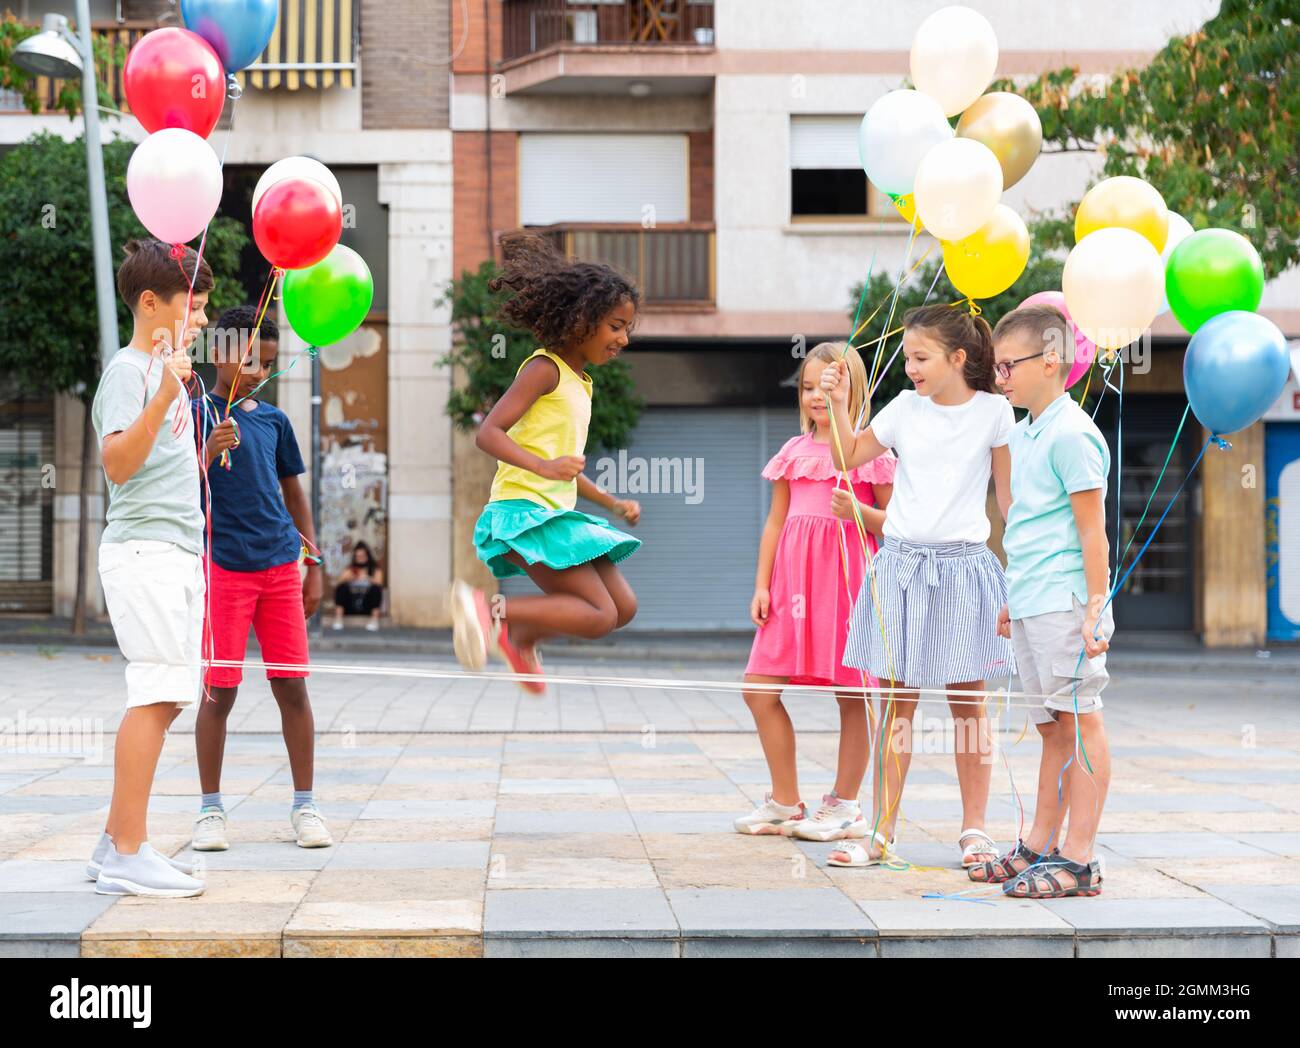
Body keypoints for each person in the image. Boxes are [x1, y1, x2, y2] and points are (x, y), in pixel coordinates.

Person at [821, 305, 1015, 868]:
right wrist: (838, 405)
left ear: (958, 359)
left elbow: (1008, 503)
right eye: (907, 357)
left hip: (963, 567)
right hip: (901, 567)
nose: (910, 368)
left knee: (969, 708)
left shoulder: (995, 414)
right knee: (895, 706)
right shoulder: (905, 408)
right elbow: (847, 456)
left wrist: (1018, 576)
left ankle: (975, 830)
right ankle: (880, 834)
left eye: (921, 357)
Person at [449, 234, 642, 695]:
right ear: (582, 320)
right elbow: (488, 433)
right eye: (616, 326)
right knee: (599, 615)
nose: (624, 338)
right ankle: (489, 610)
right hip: (524, 513)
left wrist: (611, 502)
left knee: (623, 607)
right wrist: (542, 466)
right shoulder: (544, 369)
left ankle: (520, 639)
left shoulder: (582, 382)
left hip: (553, 512)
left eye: (627, 328)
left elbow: (566, 467)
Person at [969, 304, 1113, 898]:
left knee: (1081, 727)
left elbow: (1091, 532)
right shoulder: (1025, 430)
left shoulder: (1073, 433)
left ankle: (1079, 859)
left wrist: (1095, 608)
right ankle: (1039, 843)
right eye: (997, 368)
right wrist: (1013, 596)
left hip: (1066, 603)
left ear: (1051, 360)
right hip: (1032, 599)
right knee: (1053, 730)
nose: (1000, 378)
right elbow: (1028, 525)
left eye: (1008, 366)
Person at [85, 238, 210, 897]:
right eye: (192, 309)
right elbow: (117, 465)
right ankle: (130, 853)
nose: (200, 322)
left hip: (172, 552)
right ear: (150, 302)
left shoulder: (164, 377)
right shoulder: (130, 373)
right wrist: (165, 396)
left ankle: (113, 842)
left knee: (167, 697)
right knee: (156, 693)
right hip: (145, 554)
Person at [735, 343, 895, 839]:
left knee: (853, 694)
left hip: (850, 586)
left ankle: (845, 804)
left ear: (853, 389)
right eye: (807, 387)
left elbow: (897, 524)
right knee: (758, 689)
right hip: (791, 589)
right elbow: (774, 522)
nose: (816, 396)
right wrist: (762, 584)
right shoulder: (791, 453)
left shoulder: (873, 455)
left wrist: (859, 514)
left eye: (827, 385)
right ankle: (785, 801)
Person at [191, 306, 330, 852]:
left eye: (268, 364)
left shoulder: (273, 421)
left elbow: (294, 495)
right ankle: (210, 811)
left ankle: (305, 806)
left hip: (278, 563)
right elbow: (174, 489)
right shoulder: (193, 412)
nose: (257, 373)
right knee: (218, 692)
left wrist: (313, 564)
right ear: (220, 351)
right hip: (223, 566)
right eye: (250, 360)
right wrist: (207, 452)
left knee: (292, 687)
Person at [331, 541, 384, 631]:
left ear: (367, 556)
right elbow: (339, 582)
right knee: (341, 588)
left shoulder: (375, 569)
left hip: (367, 604)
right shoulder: (350, 569)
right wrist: (349, 577)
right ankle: (338, 619)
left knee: (376, 589)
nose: (360, 559)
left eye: (362, 556)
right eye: (357, 557)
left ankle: (374, 620)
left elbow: (379, 583)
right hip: (351, 603)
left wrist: (368, 578)